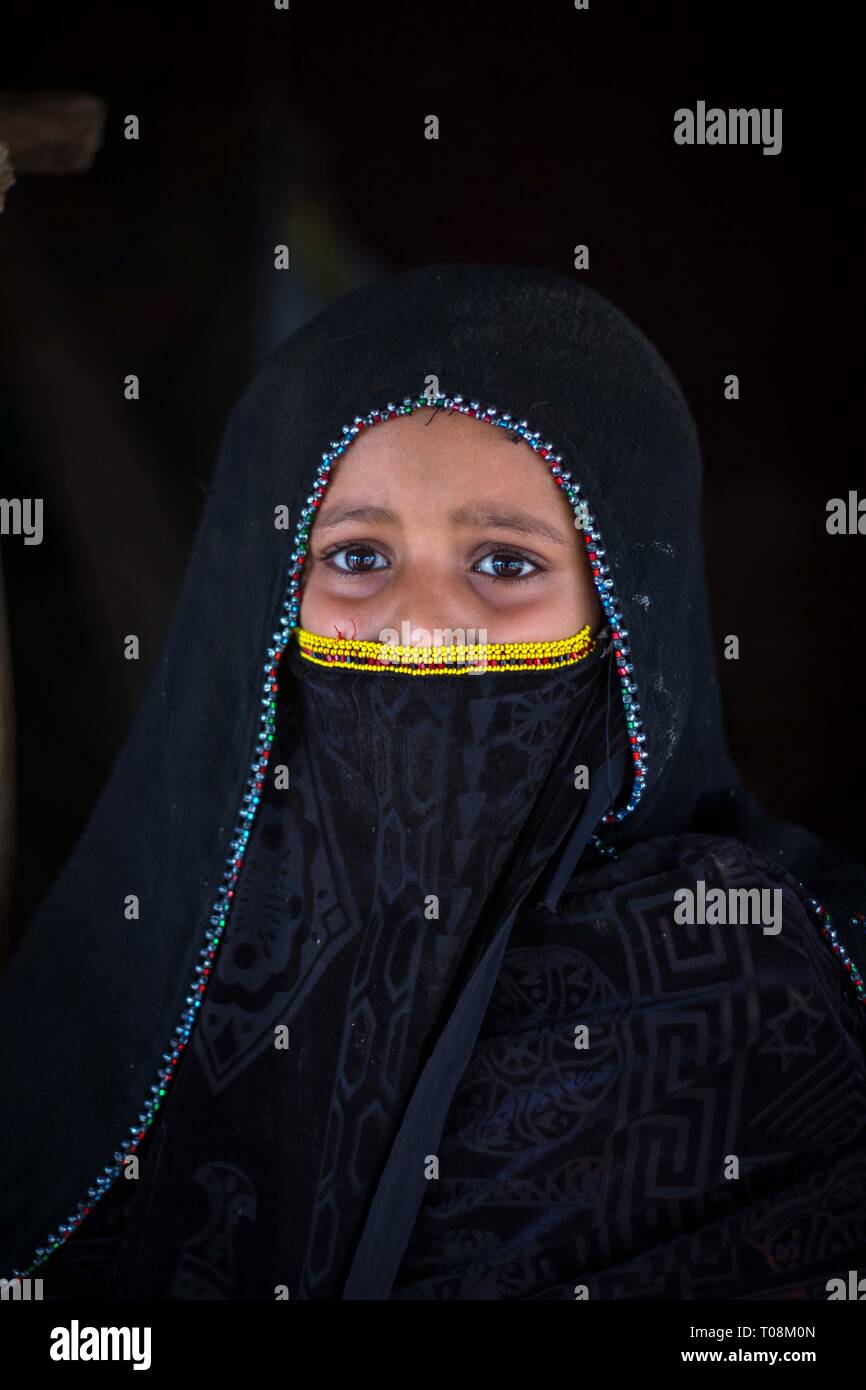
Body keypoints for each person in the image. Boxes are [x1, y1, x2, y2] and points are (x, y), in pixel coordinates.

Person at [1, 263, 864, 1301]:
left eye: (503, 564)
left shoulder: (752, 980)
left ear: (625, 621)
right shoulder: (140, 986)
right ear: (257, 600)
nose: (419, 624)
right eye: (357, 554)